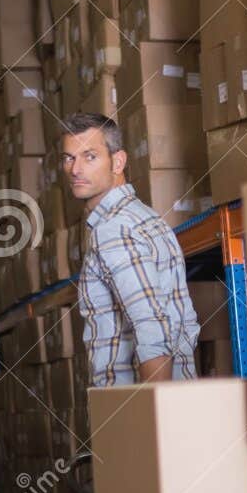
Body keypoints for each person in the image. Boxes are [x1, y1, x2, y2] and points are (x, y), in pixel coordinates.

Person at [62, 114, 200, 386]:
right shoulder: (146, 217)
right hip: (173, 398)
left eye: (90, 157)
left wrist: (151, 410)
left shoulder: (114, 229)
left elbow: (152, 328)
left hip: (133, 403)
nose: (75, 169)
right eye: (68, 158)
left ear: (118, 161)